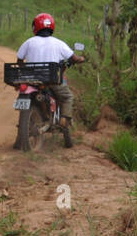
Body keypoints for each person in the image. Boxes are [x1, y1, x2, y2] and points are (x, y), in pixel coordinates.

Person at [16, 12, 85, 147]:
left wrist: (29, 71)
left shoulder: (28, 42)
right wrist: (81, 59)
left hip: (31, 80)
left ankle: (19, 139)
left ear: (35, 27)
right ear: (51, 27)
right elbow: (74, 58)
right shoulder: (59, 43)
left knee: (22, 97)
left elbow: (19, 61)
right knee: (67, 97)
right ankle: (64, 119)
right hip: (52, 80)